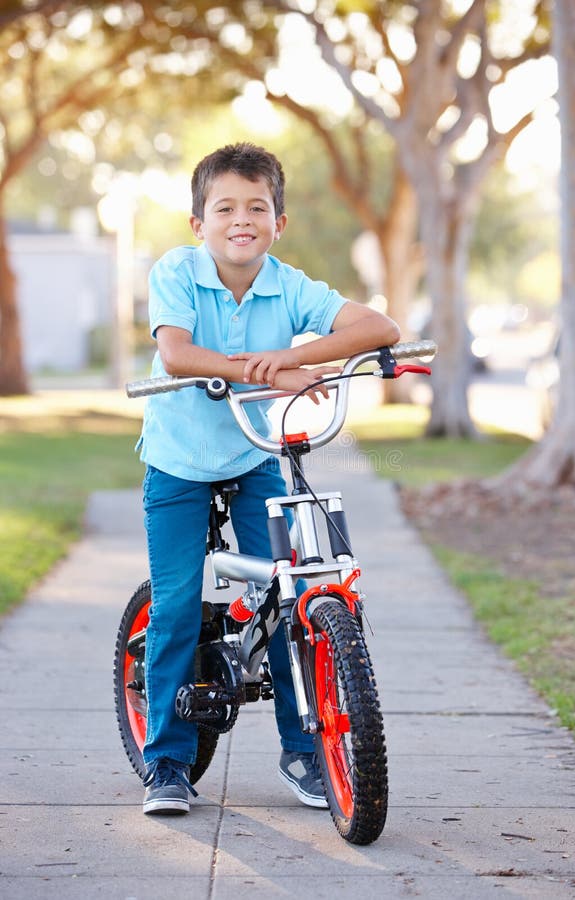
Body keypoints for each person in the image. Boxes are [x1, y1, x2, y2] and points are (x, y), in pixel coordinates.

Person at [138, 141, 400, 815]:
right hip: (178, 461)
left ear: (278, 222)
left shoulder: (291, 285)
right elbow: (176, 355)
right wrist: (270, 369)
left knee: (289, 595)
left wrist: (293, 355)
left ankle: (302, 749)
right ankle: (166, 760)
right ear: (199, 224)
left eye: (257, 207)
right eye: (224, 207)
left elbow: (378, 325)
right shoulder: (177, 271)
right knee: (173, 606)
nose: (241, 219)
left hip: (254, 456)